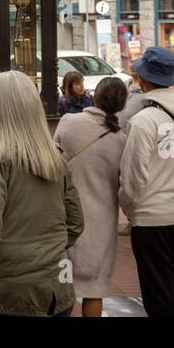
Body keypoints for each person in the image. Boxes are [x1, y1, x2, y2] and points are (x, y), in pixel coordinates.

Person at [0, 70, 84, 317]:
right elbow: (76, 222)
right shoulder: (55, 155)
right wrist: (47, 251)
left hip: (1, 294)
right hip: (55, 291)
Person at [118, 45, 174, 318]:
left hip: (151, 216)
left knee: (157, 290)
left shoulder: (144, 120)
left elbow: (132, 176)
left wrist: (129, 209)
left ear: (143, 79)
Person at [55, 75, 128, 318]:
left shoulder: (68, 122)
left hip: (64, 217)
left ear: (94, 96)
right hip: (102, 223)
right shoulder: (121, 139)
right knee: (94, 290)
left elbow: (53, 164)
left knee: (61, 284)